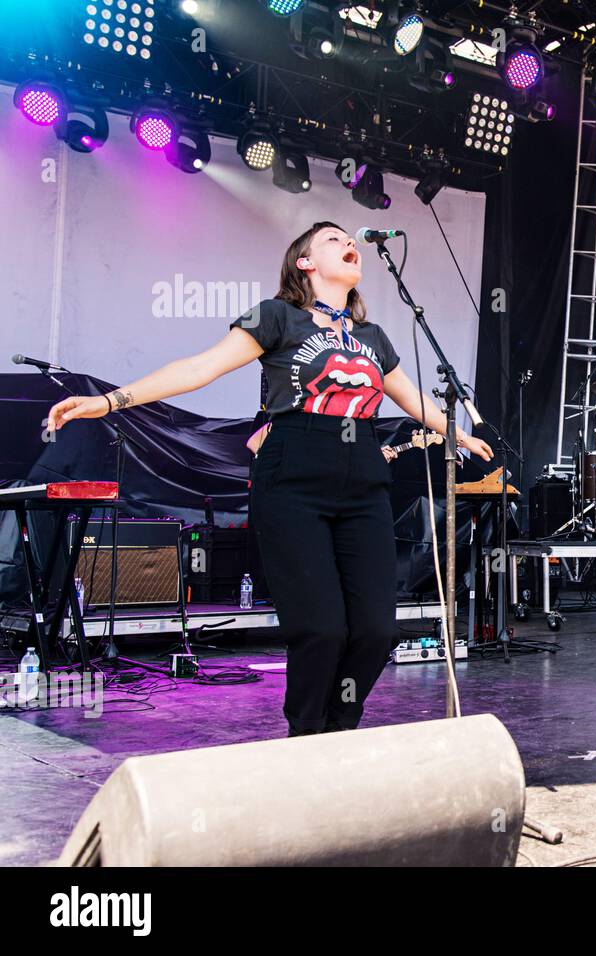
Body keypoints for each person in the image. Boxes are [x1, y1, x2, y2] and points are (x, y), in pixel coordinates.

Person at [46, 221, 493, 735]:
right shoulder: (276, 315)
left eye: (350, 239)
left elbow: (414, 400)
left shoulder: (372, 337)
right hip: (293, 473)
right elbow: (199, 368)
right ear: (305, 262)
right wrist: (110, 401)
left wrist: (460, 435)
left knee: (376, 629)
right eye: (333, 239)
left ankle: (340, 729)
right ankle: (306, 735)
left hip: (364, 481)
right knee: (321, 630)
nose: (349, 243)